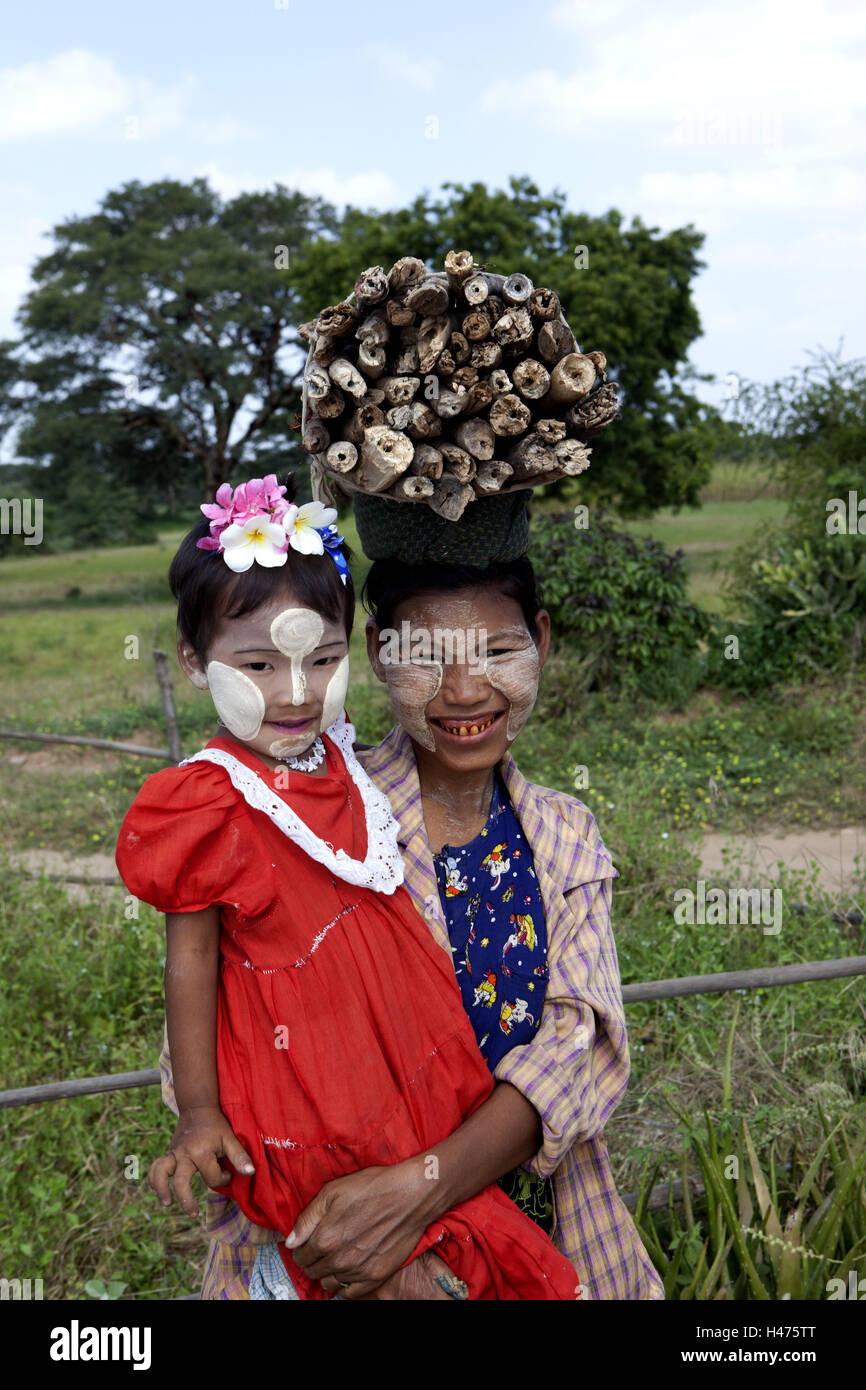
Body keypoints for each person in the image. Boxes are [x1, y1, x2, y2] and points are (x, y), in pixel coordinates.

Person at [152, 484, 664, 1302]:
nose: (466, 694)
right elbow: (224, 1055)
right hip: (335, 1245)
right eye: (427, 658)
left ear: (541, 641)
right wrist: (386, 1248)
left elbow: (581, 1046)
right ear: (379, 652)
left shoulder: (566, 835)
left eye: (500, 652)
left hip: (544, 1228)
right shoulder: (303, 822)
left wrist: (423, 1188)